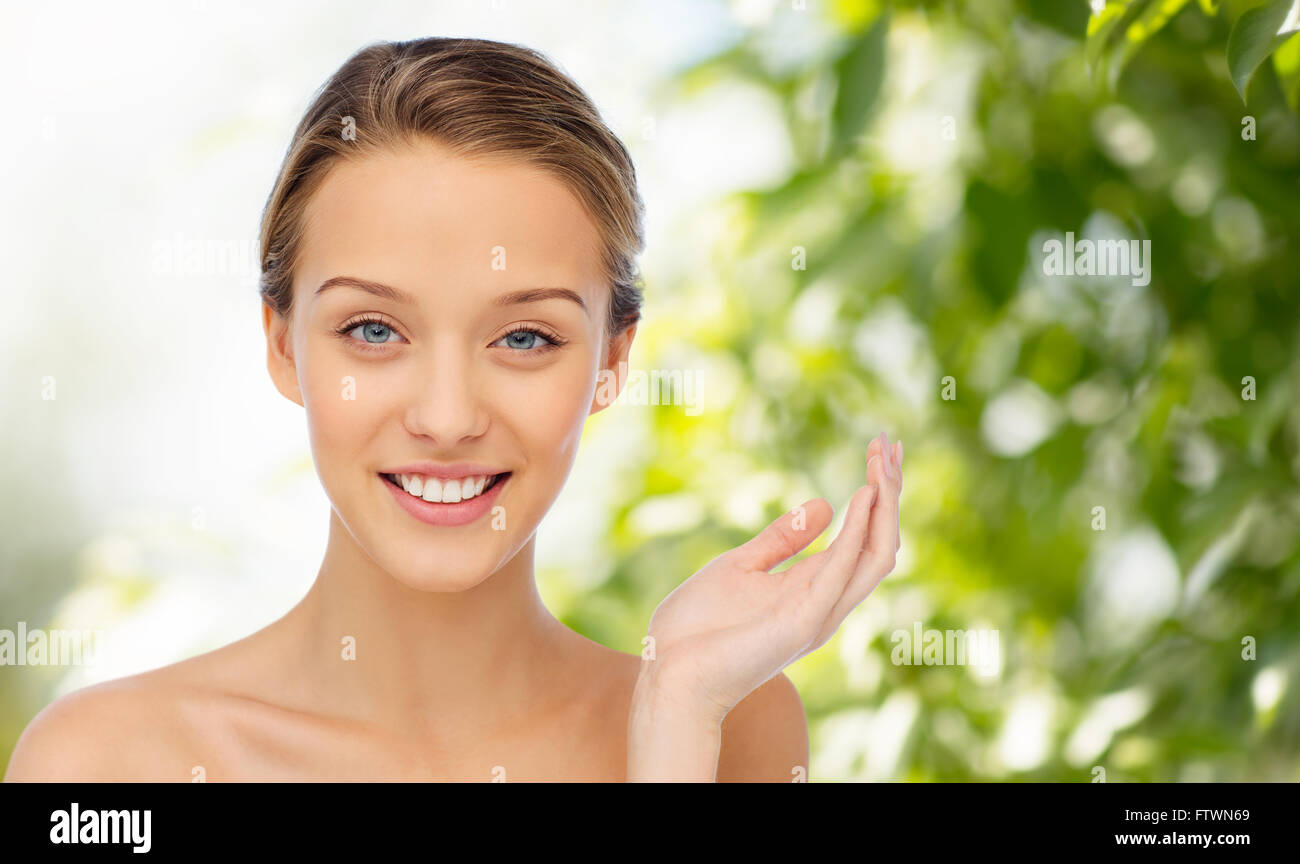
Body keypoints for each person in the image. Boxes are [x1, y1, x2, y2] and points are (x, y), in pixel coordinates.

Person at [5, 36, 901, 782]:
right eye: (372, 328)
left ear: (612, 359)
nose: (445, 417)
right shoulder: (106, 767)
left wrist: (674, 720)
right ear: (282, 344)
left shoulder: (730, 724)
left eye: (523, 339)